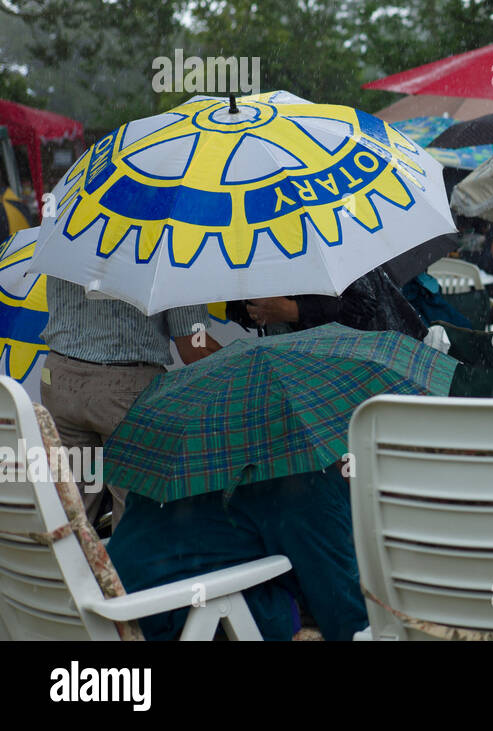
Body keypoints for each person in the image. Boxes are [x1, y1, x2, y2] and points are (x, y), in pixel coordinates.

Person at [40, 279, 221, 530]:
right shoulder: (173, 249)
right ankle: (124, 569)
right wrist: (245, 364)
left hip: (60, 380)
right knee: (135, 511)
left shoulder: (64, 239)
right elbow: (194, 344)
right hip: (126, 388)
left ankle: (63, 568)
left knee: (71, 504)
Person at [106, 465, 366, 641]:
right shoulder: (306, 478)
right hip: (173, 614)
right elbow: (343, 614)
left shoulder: (181, 453)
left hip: (116, 601)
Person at [229, 266, 427, 341]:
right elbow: (233, 308)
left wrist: (295, 311)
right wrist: (252, 311)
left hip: (367, 355)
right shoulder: (246, 244)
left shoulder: (327, 231)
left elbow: (363, 305)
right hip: (300, 361)